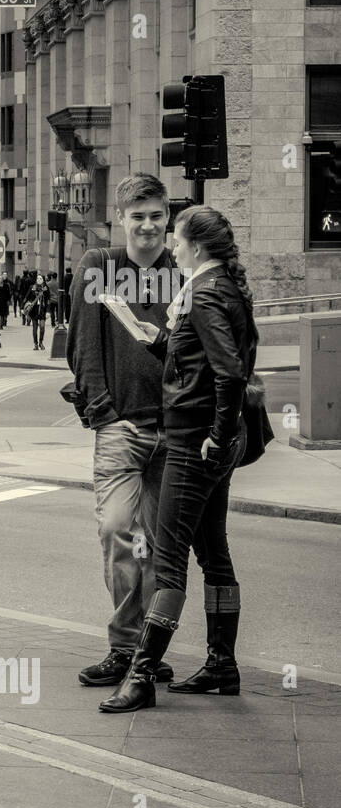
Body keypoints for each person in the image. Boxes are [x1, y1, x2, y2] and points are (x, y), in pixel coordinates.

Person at [100, 206, 259, 712]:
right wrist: (160, 341)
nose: (172, 243)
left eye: (177, 236)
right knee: (214, 553)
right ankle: (221, 664)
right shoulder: (221, 288)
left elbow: (228, 372)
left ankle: (142, 674)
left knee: (168, 563)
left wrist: (214, 434)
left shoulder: (206, 292)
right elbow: (203, 360)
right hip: (213, 440)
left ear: (196, 246)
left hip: (194, 443)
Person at [67, 173, 178, 688]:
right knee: (118, 531)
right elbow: (83, 346)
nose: (148, 225)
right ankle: (124, 645)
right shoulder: (100, 266)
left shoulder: (183, 272)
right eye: (138, 216)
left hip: (177, 433)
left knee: (158, 547)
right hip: (122, 429)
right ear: (121, 219)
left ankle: (147, 652)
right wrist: (103, 411)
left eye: (156, 215)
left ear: (168, 218)